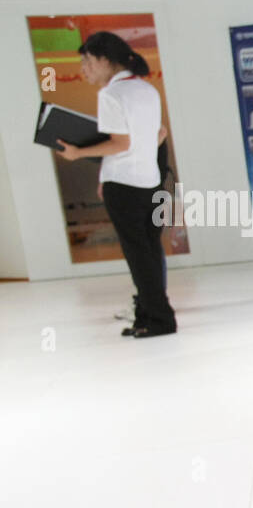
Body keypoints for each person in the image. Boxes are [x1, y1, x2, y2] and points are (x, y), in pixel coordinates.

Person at [55, 31, 177, 337]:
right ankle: (147, 317)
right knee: (149, 252)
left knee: (138, 256)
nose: (84, 69)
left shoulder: (110, 94)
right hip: (149, 181)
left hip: (123, 185)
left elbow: (121, 144)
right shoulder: (147, 90)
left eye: (87, 61)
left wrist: (77, 153)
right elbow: (159, 135)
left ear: (105, 60)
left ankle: (160, 319)